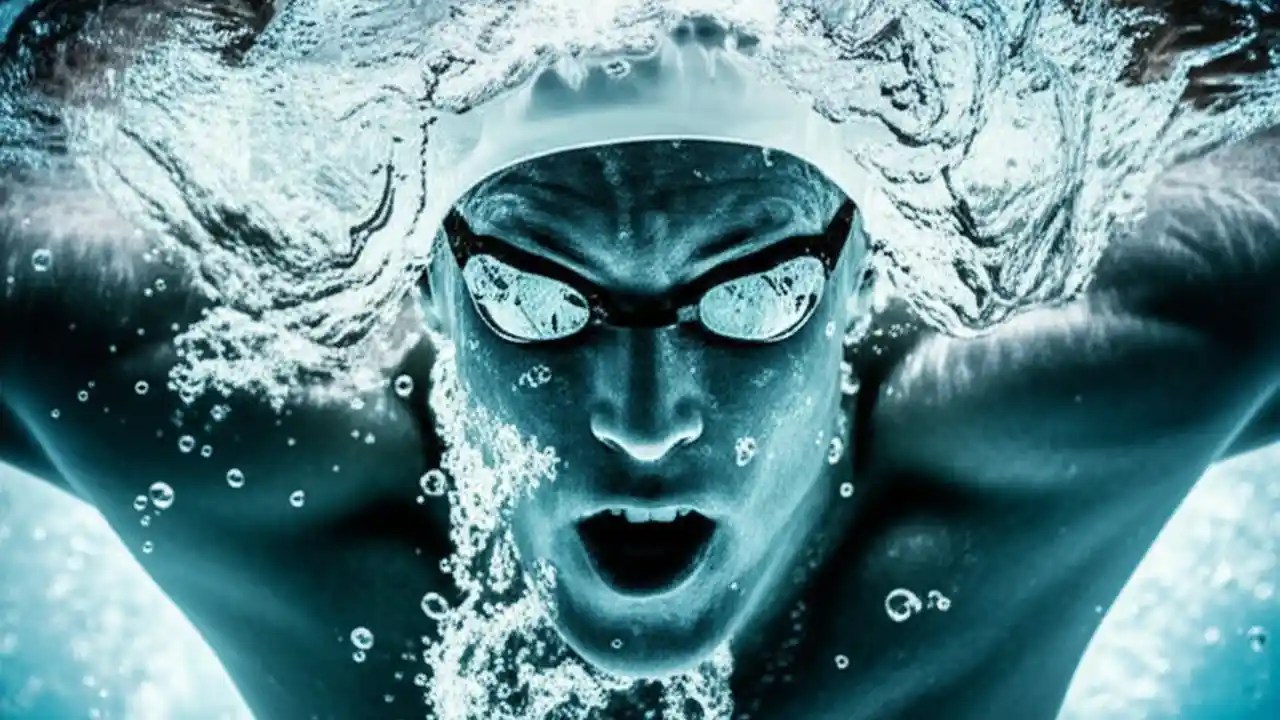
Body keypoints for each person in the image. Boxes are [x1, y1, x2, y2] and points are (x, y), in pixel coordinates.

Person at [2, 5, 1279, 720]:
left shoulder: (1072, 409)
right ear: (434, 292)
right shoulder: (250, 447)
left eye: (756, 293)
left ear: (859, 286)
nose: (647, 414)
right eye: (534, 297)